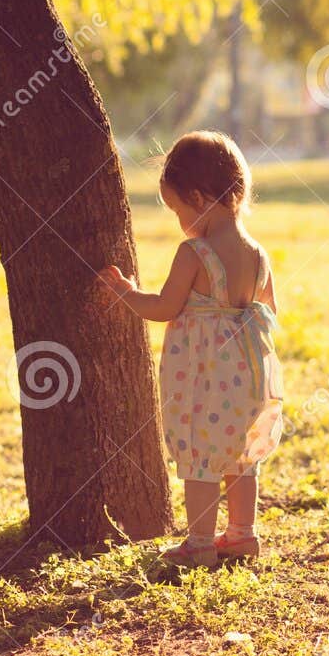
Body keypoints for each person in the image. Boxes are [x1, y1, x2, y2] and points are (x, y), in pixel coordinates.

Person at [98, 130, 283, 569]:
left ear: (198, 198)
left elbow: (163, 308)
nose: (179, 220)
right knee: (241, 454)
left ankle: (199, 542)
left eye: (177, 209)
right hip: (249, 374)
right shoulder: (258, 253)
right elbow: (269, 306)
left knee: (200, 457)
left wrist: (125, 292)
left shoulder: (195, 252)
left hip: (205, 376)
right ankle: (241, 535)